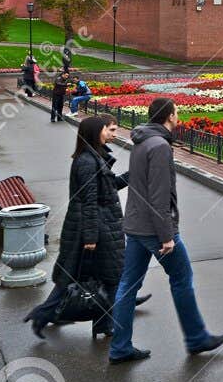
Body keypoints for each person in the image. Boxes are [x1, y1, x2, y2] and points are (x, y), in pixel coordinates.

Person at [109, 97, 223, 365]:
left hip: (136, 225)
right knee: (182, 278)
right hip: (155, 229)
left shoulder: (141, 140)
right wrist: (166, 236)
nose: (179, 117)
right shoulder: (160, 146)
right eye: (177, 113)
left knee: (127, 286)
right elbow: (159, 195)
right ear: (169, 116)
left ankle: (119, 347)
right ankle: (197, 338)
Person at [23, 116, 147, 340]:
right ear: (95, 132)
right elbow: (89, 201)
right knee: (99, 276)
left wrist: (133, 176)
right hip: (94, 227)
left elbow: (108, 187)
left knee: (88, 276)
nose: (114, 134)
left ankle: (97, 321)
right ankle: (45, 313)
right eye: (110, 130)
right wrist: (91, 237)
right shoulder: (88, 162)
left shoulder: (94, 156)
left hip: (97, 225)